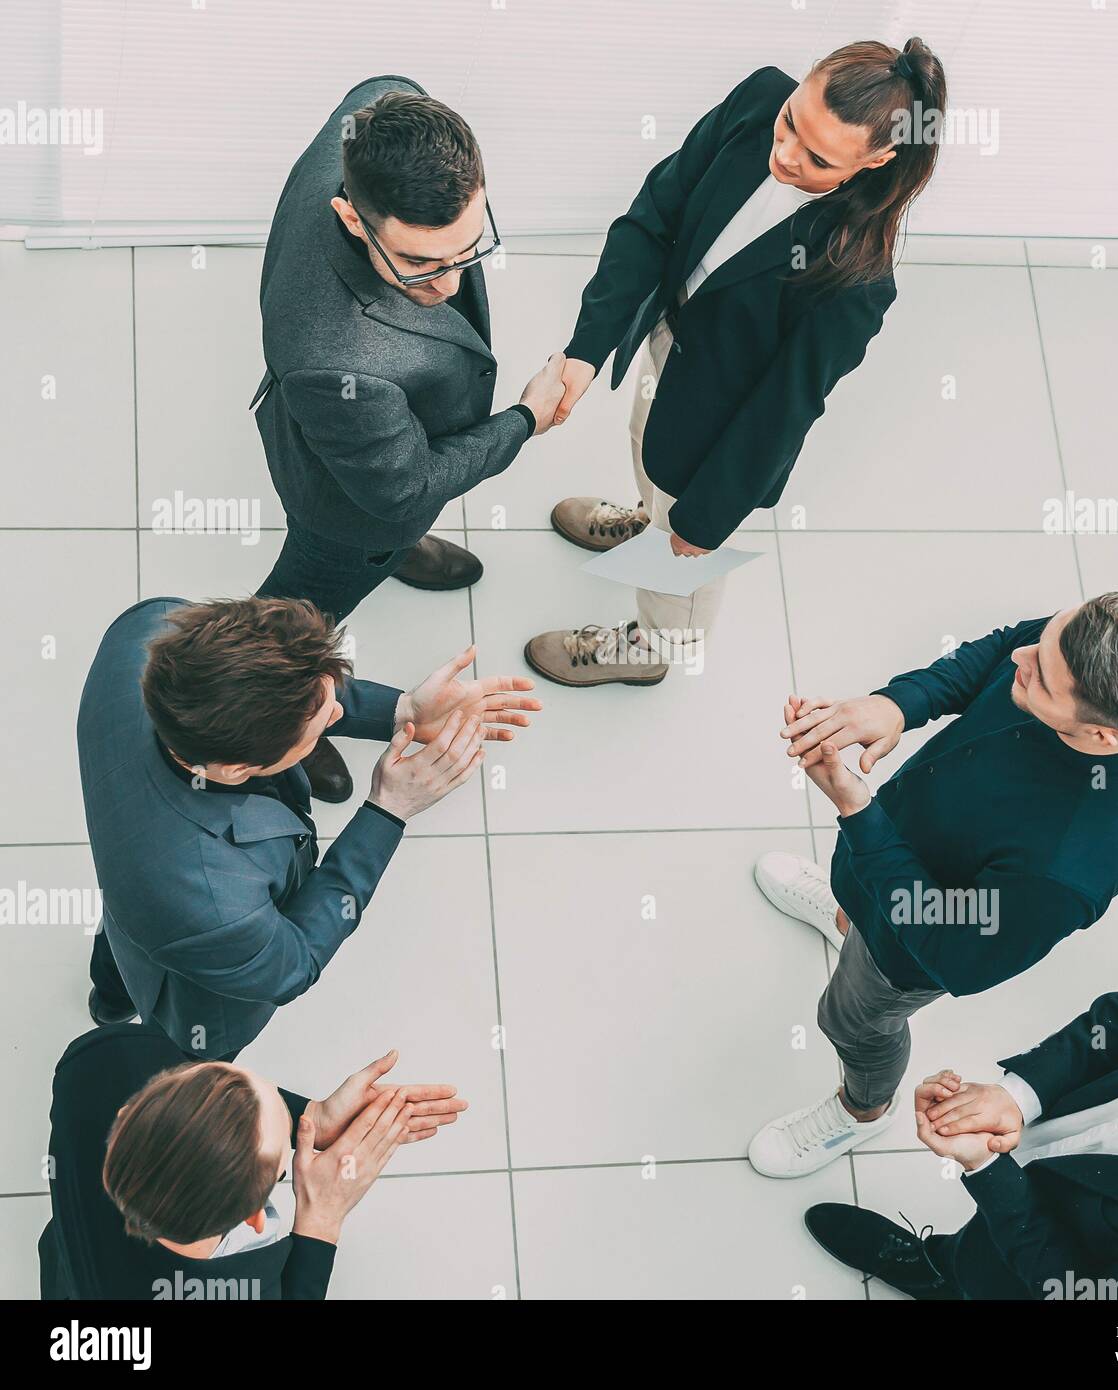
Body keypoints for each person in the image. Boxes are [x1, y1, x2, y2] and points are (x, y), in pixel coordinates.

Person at [524, 39, 945, 688]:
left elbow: (785, 409)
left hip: (717, 423)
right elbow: (655, 216)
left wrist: (706, 521)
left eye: (817, 156)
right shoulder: (758, 98)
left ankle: (651, 646)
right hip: (668, 343)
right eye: (790, 125)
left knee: (680, 557)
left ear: (877, 159)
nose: (784, 155)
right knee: (645, 446)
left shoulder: (855, 276)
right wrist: (587, 347)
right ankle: (649, 514)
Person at [748, 593, 1118, 1177]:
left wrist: (857, 812)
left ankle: (862, 1111)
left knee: (852, 1019)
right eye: (1041, 644)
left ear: (1101, 737)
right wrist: (899, 703)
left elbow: (949, 949)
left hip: (910, 943)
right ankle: (850, 914)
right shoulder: (1088, 649)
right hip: (900, 852)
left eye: (1040, 677)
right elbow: (1003, 647)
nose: (1022, 656)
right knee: (858, 895)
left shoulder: (1071, 864)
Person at [252, 74, 565, 798]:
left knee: (395, 524)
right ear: (353, 218)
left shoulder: (384, 108)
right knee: (300, 609)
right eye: (420, 264)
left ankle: (397, 551)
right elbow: (405, 486)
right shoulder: (334, 358)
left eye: (467, 247)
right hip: (351, 508)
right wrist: (525, 419)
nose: (451, 284)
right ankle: (288, 715)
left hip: (384, 445)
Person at [80, 595, 540, 1059]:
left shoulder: (148, 630)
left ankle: (109, 998)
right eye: (317, 728)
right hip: (198, 994)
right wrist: (388, 809)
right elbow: (292, 964)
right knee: (181, 1060)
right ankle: (125, 1015)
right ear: (237, 769)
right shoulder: (214, 907)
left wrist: (401, 711)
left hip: (128, 877)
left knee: (120, 939)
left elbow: (297, 688)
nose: (336, 713)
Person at [804, 963, 1118, 1301]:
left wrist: (985, 1169)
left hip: (1037, 1271)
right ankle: (937, 1263)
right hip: (1045, 1186)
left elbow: (1069, 1286)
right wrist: (1017, 1095)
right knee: (971, 1251)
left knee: (985, 1279)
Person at [39, 1022, 465, 1300]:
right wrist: (322, 1220)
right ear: (254, 1218)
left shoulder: (97, 1065)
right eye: (285, 1157)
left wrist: (313, 1116)